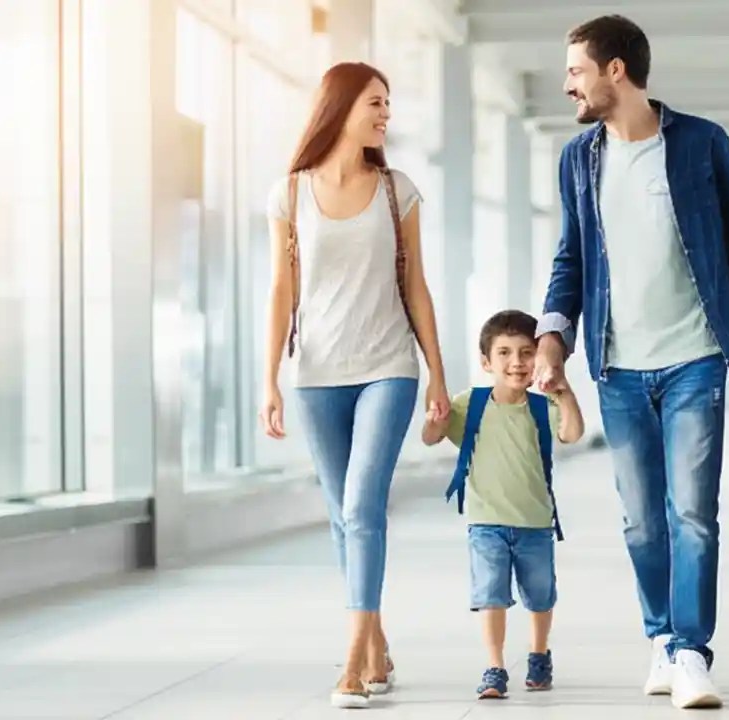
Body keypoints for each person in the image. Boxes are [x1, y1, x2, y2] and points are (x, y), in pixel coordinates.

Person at [531, 14, 729, 710]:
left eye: (576, 70)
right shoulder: (579, 159)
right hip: (617, 364)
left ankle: (692, 652)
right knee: (641, 519)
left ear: (615, 71)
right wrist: (554, 336)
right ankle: (662, 640)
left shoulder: (699, 144)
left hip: (696, 354)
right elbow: (570, 258)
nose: (567, 83)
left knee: (692, 513)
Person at [258, 62, 450, 710]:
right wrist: (270, 382)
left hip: (388, 366)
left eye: (388, 105)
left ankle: (349, 661)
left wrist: (438, 375)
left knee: (364, 506)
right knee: (343, 516)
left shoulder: (399, 190)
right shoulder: (289, 193)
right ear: (340, 106)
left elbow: (416, 287)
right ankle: (376, 642)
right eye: (375, 102)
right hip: (315, 374)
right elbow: (281, 293)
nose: (385, 114)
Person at [422, 310, 585, 699]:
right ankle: (494, 666)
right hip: (485, 522)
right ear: (486, 362)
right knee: (490, 595)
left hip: (535, 522)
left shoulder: (542, 407)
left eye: (527, 353)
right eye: (505, 353)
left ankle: (538, 653)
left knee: (541, 595)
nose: (517, 362)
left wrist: (563, 390)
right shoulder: (471, 405)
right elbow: (432, 436)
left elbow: (573, 432)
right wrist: (434, 418)